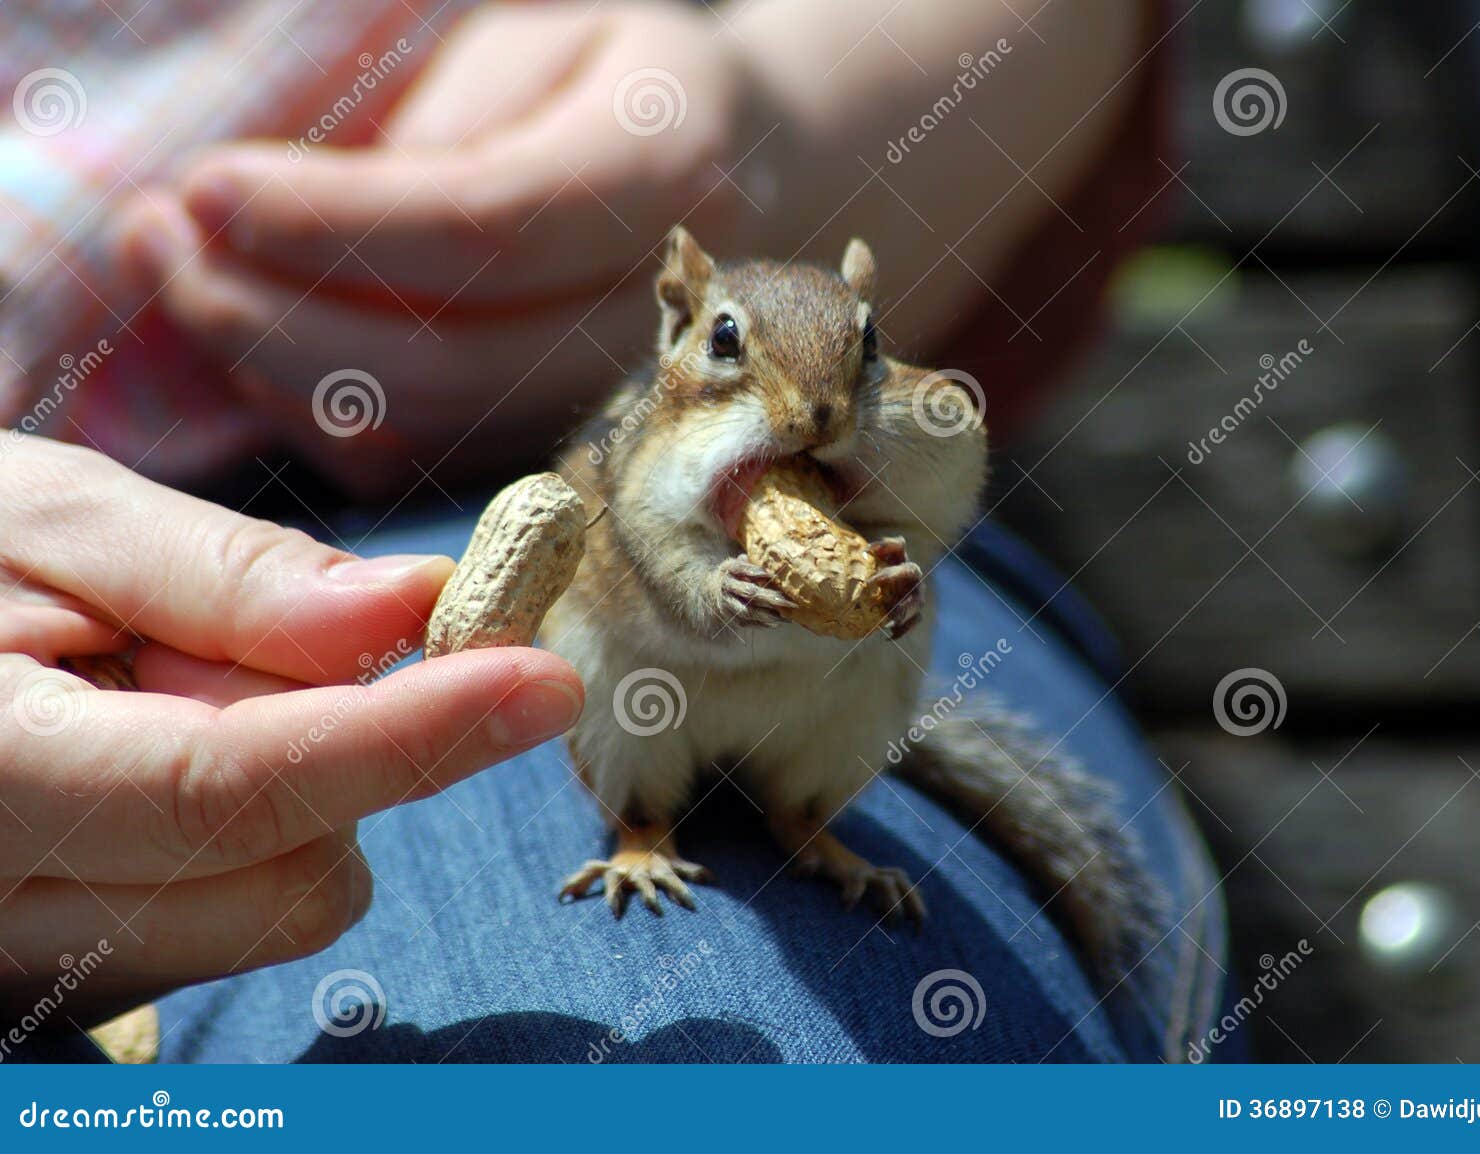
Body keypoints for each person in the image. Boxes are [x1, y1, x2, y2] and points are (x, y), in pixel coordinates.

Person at [0, 0, 1224, 1062]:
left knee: (751, 1032)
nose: (807, 419)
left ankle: (811, 815)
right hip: (120, 535)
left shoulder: (861, 420)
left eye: (850, 366)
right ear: (687, 329)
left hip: (441, 489)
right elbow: (648, 568)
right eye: (743, 360)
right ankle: (641, 821)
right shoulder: (653, 459)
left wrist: (771, 119)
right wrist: (719, 587)